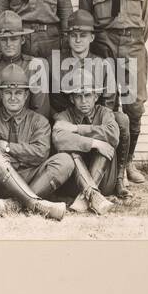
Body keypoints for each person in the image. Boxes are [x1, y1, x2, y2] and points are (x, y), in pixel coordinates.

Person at [78, 0, 148, 186]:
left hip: (132, 47)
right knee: (106, 107)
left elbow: (146, 19)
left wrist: (134, 44)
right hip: (104, 48)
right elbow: (85, 21)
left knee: (133, 107)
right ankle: (108, 170)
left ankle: (128, 163)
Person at [0, 63, 71, 220]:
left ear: (26, 95)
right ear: (0, 94)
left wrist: (8, 148)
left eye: (18, 93)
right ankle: (35, 203)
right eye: (8, 93)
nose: (13, 98)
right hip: (2, 181)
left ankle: (16, 204)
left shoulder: (39, 121)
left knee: (65, 160)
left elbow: (41, 153)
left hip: (32, 177)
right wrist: (24, 155)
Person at [58, 9, 130, 198]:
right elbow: (55, 101)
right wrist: (65, 122)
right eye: (73, 35)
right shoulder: (57, 64)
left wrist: (84, 126)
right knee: (58, 127)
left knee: (121, 120)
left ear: (92, 37)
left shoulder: (103, 64)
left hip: (95, 118)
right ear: (68, 38)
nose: (78, 40)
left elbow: (108, 103)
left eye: (83, 35)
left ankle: (120, 178)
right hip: (69, 116)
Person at [51, 71, 121, 215]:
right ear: (71, 99)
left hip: (104, 180)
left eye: (88, 95)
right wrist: (95, 143)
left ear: (96, 97)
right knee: (70, 149)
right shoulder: (64, 115)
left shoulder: (105, 113)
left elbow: (113, 135)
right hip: (74, 183)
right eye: (78, 96)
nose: (83, 101)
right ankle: (93, 195)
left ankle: (85, 197)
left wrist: (77, 128)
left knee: (106, 146)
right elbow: (58, 139)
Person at [0, 10, 51, 118]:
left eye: (13, 39)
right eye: (3, 39)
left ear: (22, 40)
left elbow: (41, 112)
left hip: (25, 128)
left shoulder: (35, 67)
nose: (8, 44)